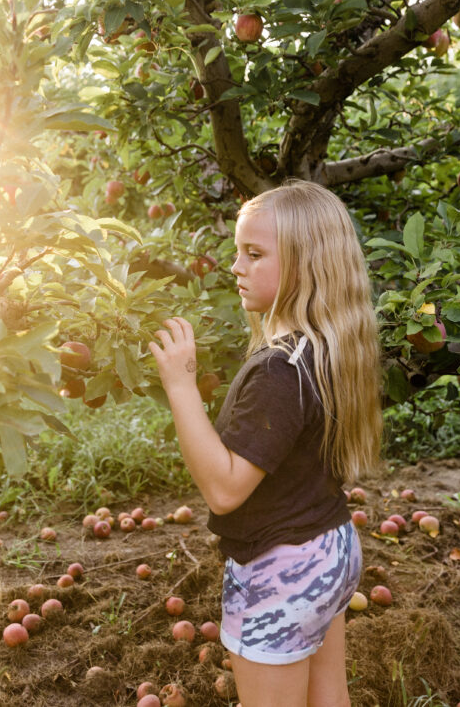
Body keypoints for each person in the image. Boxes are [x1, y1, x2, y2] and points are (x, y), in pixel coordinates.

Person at [148, 180, 382, 707]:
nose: (237, 267)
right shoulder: (323, 349)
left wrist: (181, 386)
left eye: (254, 254)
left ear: (305, 265)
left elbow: (225, 490)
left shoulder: (280, 370)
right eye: (238, 252)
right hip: (330, 546)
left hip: (284, 568)